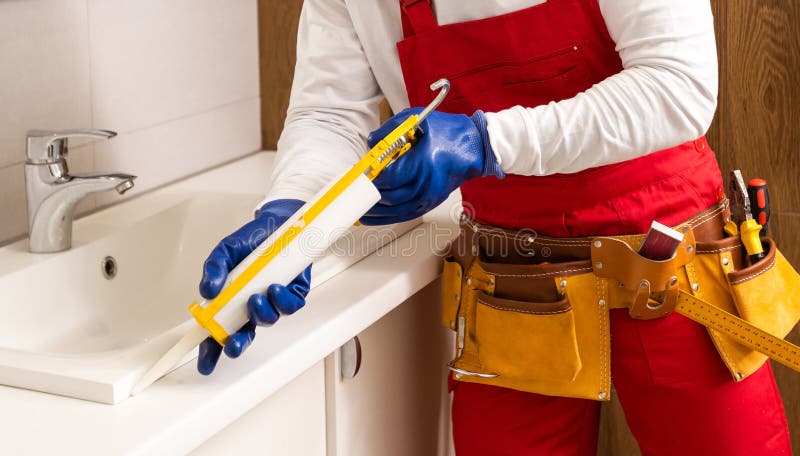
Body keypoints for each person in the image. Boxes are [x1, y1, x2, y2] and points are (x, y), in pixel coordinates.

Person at [197, 1, 793, 454]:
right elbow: (330, 114)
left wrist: (485, 141)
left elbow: (678, 84)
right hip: (515, 293)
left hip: (671, 273)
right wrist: (292, 224)